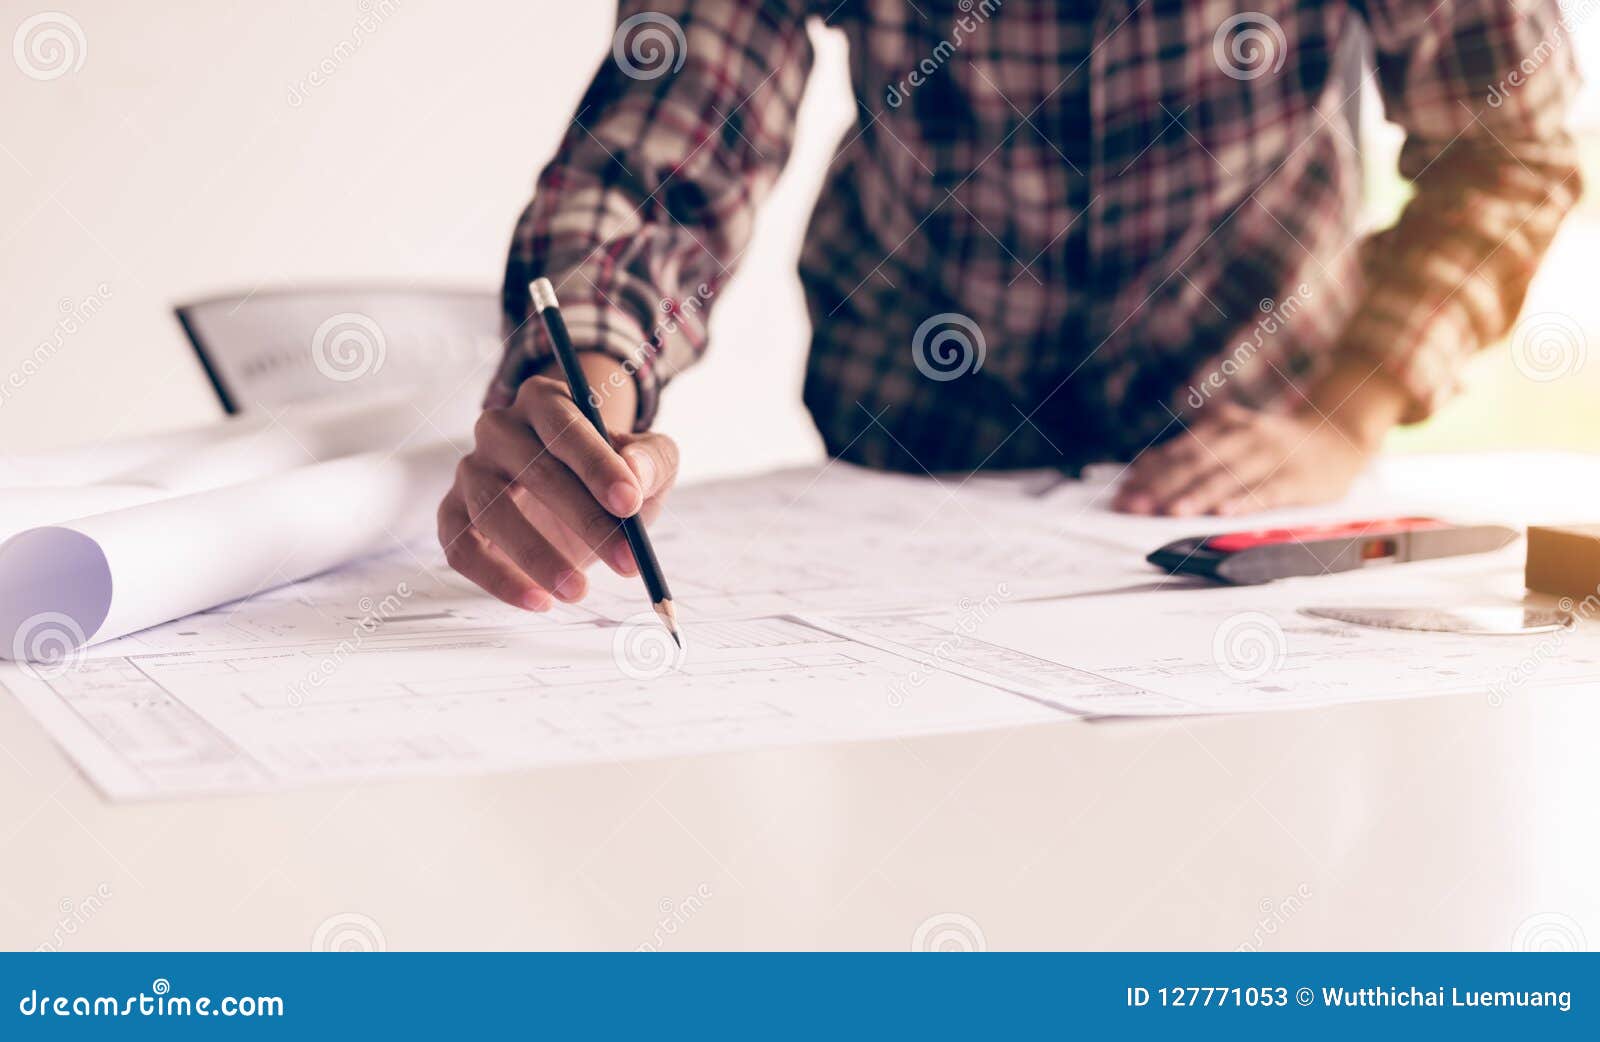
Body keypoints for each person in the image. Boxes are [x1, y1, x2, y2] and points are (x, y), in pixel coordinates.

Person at [439, 0, 1580, 611]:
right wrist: (588, 375)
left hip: (1258, 460)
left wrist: (1352, 409)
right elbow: (661, 160)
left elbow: (1512, 143)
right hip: (909, 440)